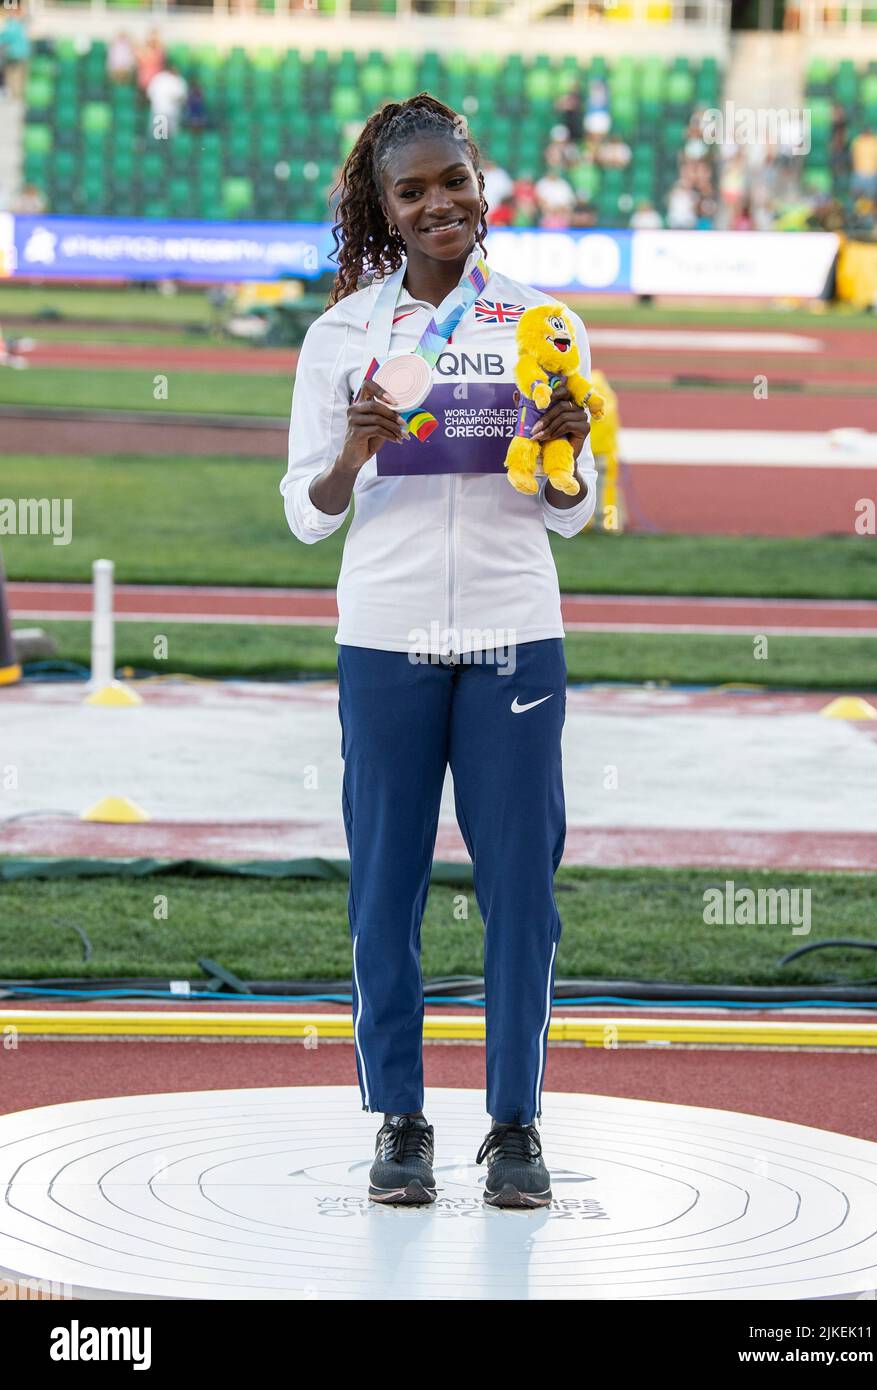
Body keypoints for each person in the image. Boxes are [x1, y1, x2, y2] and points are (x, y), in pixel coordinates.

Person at [281, 94, 597, 1210]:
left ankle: (513, 1125)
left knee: (520, 889)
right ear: (384, 207)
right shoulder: (343, 335)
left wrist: (564, 452)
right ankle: (400, 1117)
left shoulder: (541, 323)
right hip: (385, 634)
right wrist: (353, 453)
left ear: (479, 181)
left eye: (449, 182)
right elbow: (305, 512)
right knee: (386, 888)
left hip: (514, 633)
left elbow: (570, 507)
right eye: (409, 191)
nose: (436, 205)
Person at [146, 60, 188, 138]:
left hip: (173, 113)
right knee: (158, 137)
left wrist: (176, 98)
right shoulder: (159, 78)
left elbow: (183, 98)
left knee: (172, 137)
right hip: (159, 112)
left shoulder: (180, 81)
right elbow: (150, 93)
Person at [0, 8, 31, 102]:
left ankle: (15, 95)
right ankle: (21, 95)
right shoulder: (21, 25)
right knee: (22, 75)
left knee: (12, 75)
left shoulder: (11, 26)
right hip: (24, 54)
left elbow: (3, 39)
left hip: (13, 54)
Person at [850, 124, 877, 201]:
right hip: (859, 172)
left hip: (873, 173)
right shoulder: (858, 140)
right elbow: (853, 154)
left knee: (871, 197)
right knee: (856, 195)